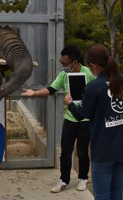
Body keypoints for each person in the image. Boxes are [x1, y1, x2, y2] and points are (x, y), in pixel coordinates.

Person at [64, 43, 123, 200]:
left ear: (92, 65)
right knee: (117, 194)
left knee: (102, 196)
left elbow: (80, 115)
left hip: (105, 149)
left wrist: (70, 103)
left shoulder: (93, 87)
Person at [21, 45, 95, 193]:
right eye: (62, 62)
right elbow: (51, 89)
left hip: (86, 120)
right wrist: (34, 93)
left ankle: (83, 179)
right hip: (69, 119)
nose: (63, 66)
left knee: (82, 152)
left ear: (74, 62)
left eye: (65, 63)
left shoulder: (89, 74)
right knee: (65, 151)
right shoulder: (63, 75)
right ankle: (64, 180)